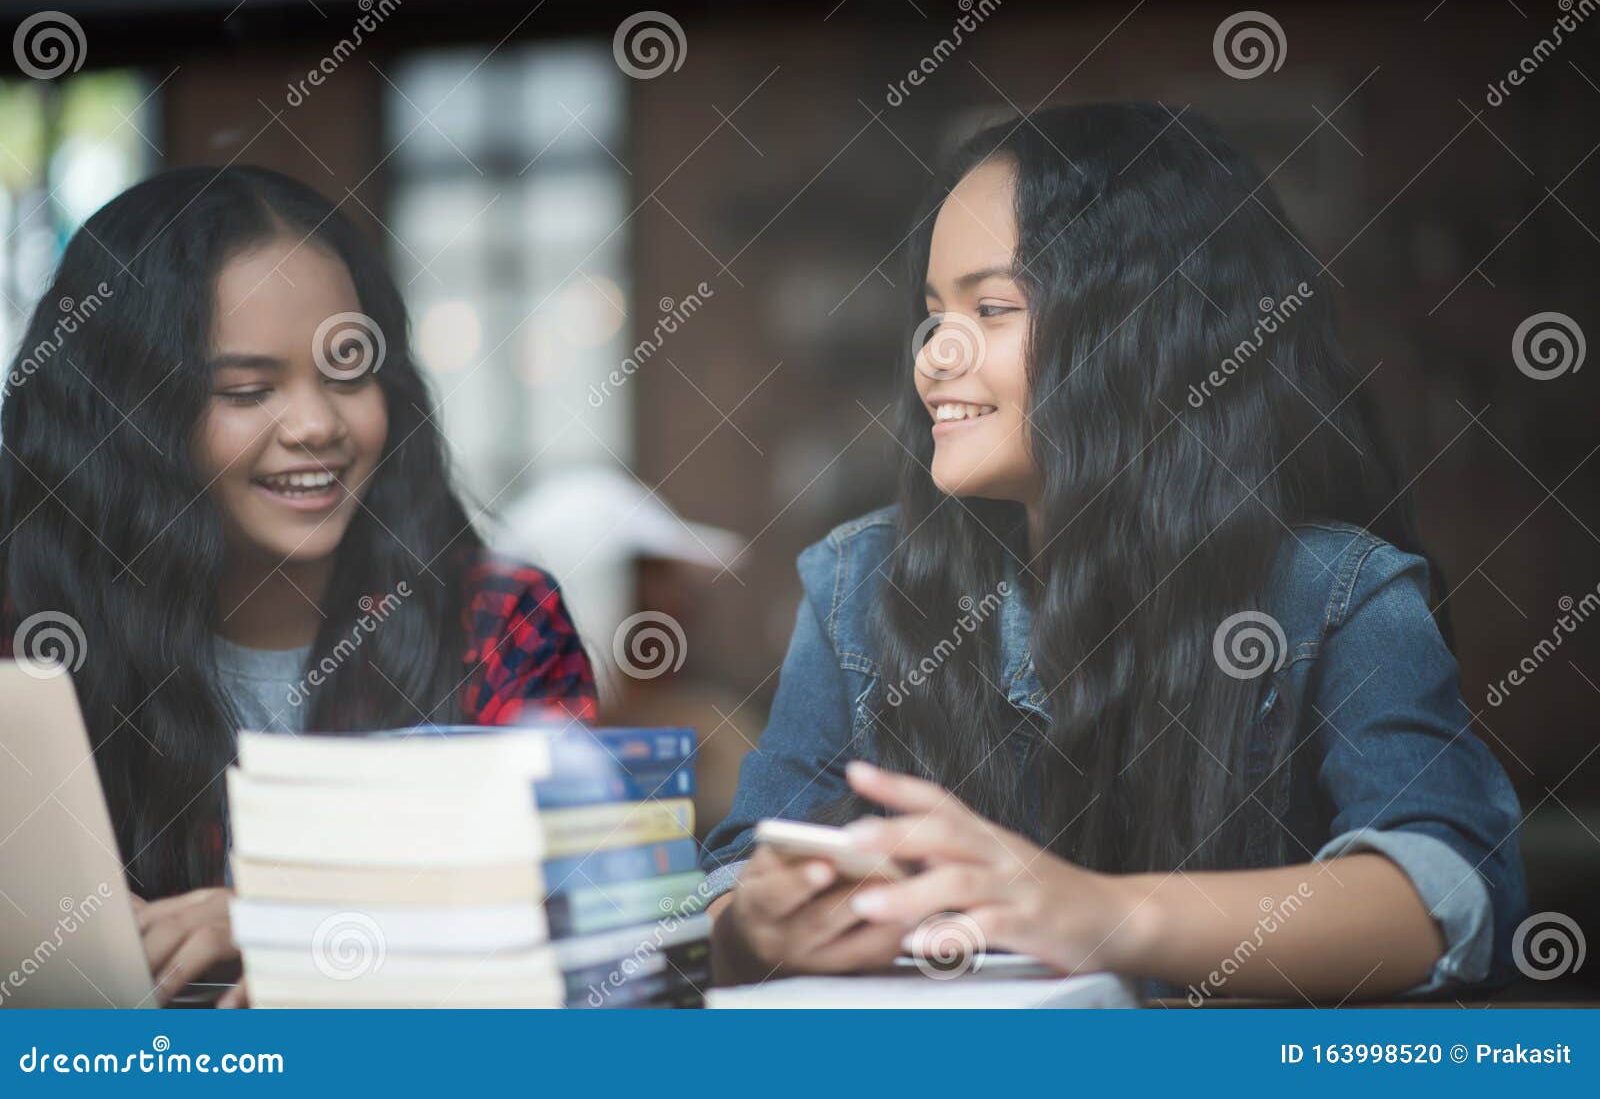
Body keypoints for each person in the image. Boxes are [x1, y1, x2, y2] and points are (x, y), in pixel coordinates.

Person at [701, 102, 1526, 1000]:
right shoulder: (856, 586)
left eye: (992, 307)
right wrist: (755, 926)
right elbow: (733, 888)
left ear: (1144, 330)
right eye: (933, 312)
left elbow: (1443, 891)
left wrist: (1097, 914)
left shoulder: (1335, 594)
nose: (934, 355)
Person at [0, 166, 595, 1005]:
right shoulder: (25, 631)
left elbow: (595, 925)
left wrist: (290, 929)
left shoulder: (497, 623)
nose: (316, 425)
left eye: (347, 373)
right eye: (248, 391)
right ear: (127, 417)